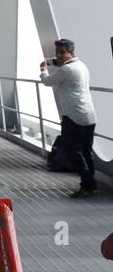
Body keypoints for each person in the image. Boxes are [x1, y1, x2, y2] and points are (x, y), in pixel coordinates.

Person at [40, 38, 98, 198]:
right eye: (57, 52)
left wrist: (43, 69)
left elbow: (47, 81)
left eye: (62, 52)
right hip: (89, 115)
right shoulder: (81, 66)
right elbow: (60, 63)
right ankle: (90, 185)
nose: (58, 55)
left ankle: (88, 185)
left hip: (73, 116)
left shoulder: (67, 70)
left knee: (73, 152)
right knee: (86, 151)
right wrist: (51, 61)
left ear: (71, 53)